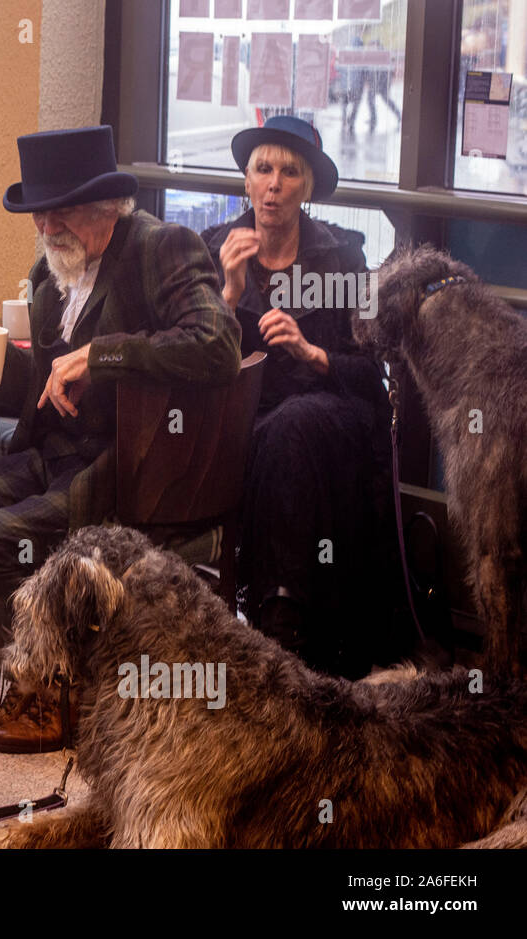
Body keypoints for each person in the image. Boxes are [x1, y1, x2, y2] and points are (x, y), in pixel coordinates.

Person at [0, 125, 242, 752]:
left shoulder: (163, 246)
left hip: (130, 466)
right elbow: (44, 383)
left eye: (62, 210)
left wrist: (100, 355)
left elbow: (218, 344)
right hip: (53, 453)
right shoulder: (49, 274)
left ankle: (58, 692)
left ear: (108, 205)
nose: (47, 226)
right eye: (38, 214)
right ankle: (12, 673)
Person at [200, 115, 398, 677]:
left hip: (332, 411)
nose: (274, 184)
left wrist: (315, 353)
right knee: (278, 433)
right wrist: (230, 295)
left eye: (290, 172)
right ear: (246, 180)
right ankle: (285, 622)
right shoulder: (213, 251)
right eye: (263, 169)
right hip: (244, 413)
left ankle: (282, 624)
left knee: (294, 428)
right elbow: (191, 360)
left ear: (307, 187)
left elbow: (373, 375)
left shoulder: (344, 258)